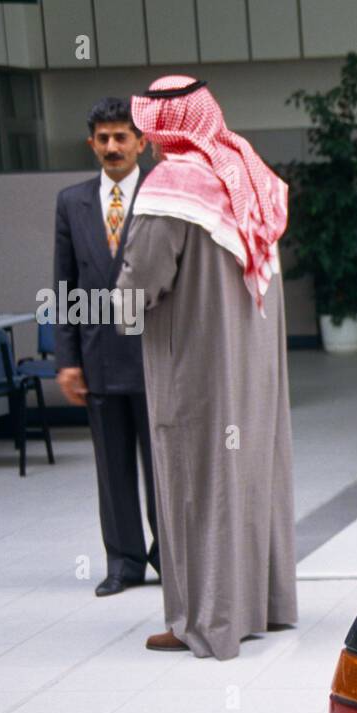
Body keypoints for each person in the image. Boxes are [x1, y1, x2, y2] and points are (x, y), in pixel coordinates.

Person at [115, 76, 297, 659]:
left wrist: (115, 313)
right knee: (251, 476)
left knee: (197, 484)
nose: (147, 137)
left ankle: (203, 619)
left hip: (197, 371)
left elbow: (139, 283)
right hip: (253, 369)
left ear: (164, 126)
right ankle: (263, 605)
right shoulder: (246, 172)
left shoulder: (171, 185)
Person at [54, 97, 160, 597]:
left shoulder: (162, 193)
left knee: (162, 465)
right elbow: (64, 284)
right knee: (111, 467)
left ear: (142, 142)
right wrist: (67, 360)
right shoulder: (71, 202)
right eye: (104, 138)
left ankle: (170, 555)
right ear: (91, 144)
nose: (113, 146)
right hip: (98, 355)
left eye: (122, 137)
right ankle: (124, 561)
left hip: (155, 352)